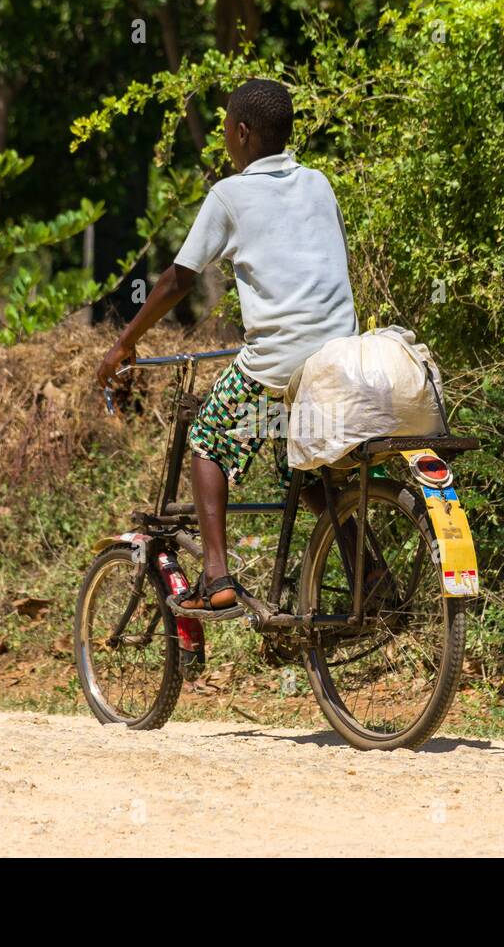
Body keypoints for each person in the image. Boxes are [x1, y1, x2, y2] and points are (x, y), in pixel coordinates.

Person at [95, 78, 357, 617]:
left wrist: (124, 343)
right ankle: (366, 568)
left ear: (241, 132)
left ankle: (216, 575)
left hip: (278, 361)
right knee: (304, 476)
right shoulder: (319, 183)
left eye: (225, 132)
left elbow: (177, 281)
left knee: (208, 440)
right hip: (339, 356)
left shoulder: (229, 195)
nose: (224, 143)